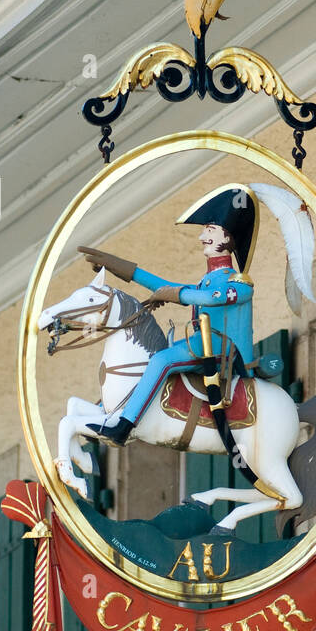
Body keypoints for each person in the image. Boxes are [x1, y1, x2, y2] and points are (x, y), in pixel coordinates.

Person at [79, 184, 281, 446]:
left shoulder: (239, 284)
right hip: (203, 346)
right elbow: (169, 287)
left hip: (224, 351)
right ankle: (110, 412)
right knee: (150, 359)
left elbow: (208, 299)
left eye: (210, 230)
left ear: (226, 239)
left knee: (162, 360)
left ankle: (123, 426)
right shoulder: (205, 281)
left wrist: (174, 295)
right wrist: (121, 267)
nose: (202, 237)